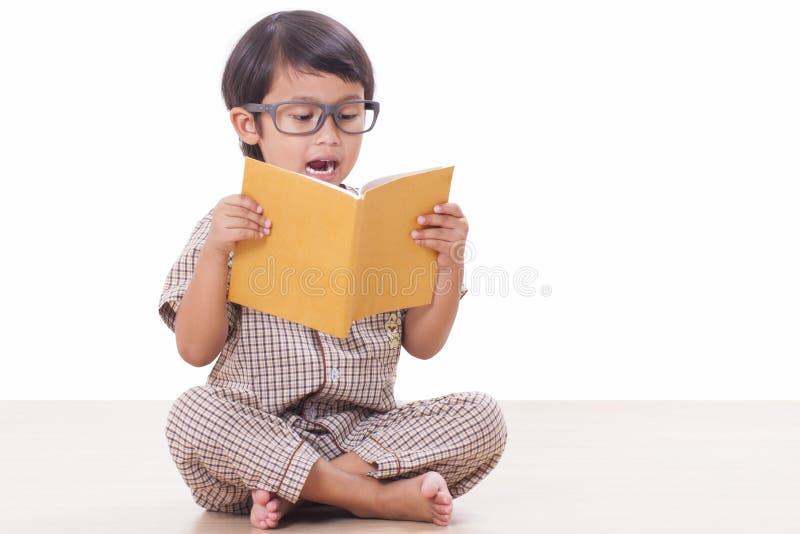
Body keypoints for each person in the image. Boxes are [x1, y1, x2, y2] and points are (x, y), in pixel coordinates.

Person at [159, 10, 507, 530]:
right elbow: (194, 350)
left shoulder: (387, 221)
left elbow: (424, 343)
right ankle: (368, 499)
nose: (330, 137)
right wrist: (215, 253)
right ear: (248, 124)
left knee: (483, 416)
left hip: (365, 441)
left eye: (348, 114)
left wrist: (449, 258)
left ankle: (316, 489)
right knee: (193, 413)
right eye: (303, 117)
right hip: (253, 449)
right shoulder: (227, 225)